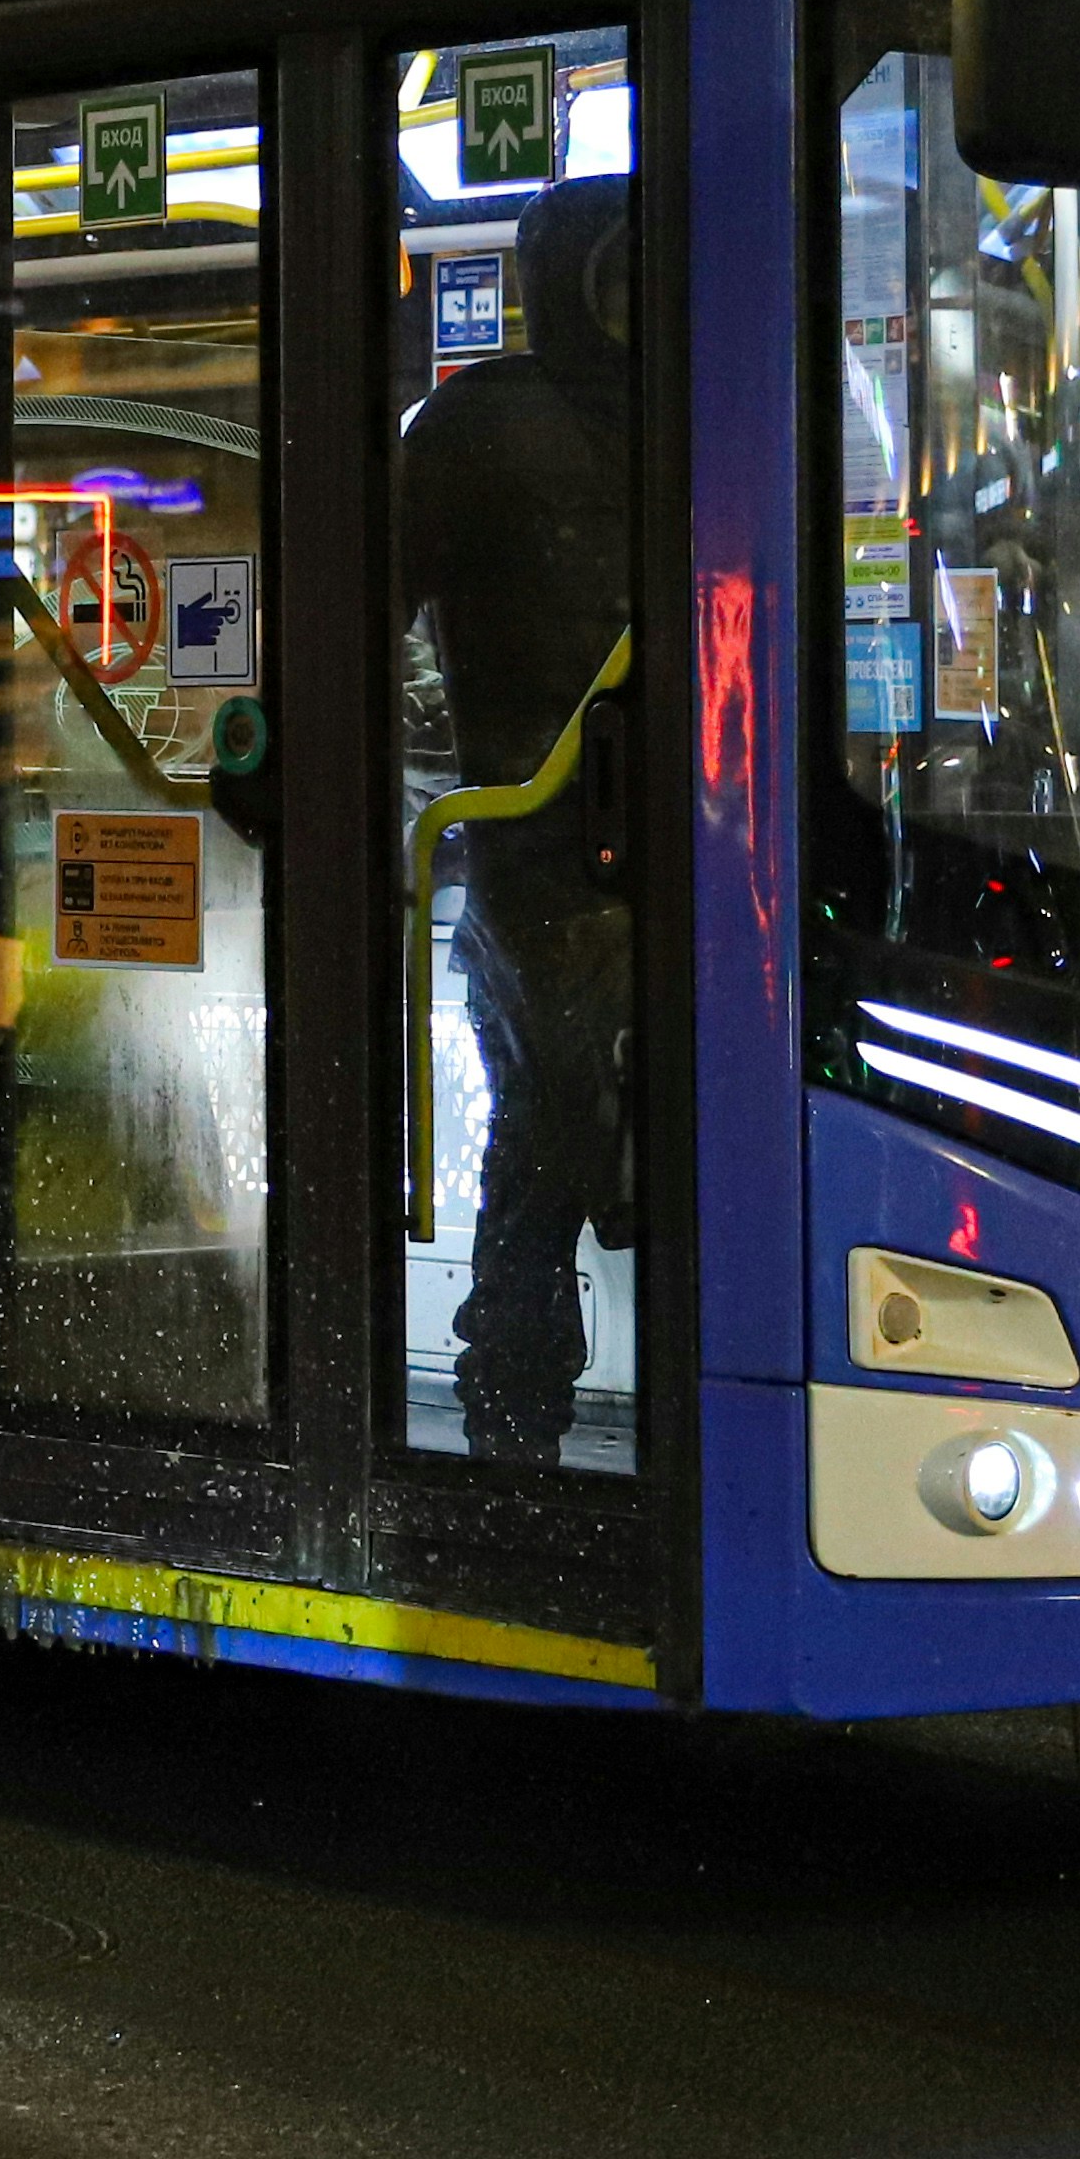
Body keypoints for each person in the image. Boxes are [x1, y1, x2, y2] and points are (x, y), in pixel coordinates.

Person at [395, 171, 648, 1470]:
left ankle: (511, 1436)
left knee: (536, 1169)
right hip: (633, 873)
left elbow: (364, 608)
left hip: (532, 870)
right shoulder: (704, 411)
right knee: (571, 1165)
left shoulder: (473, 424)